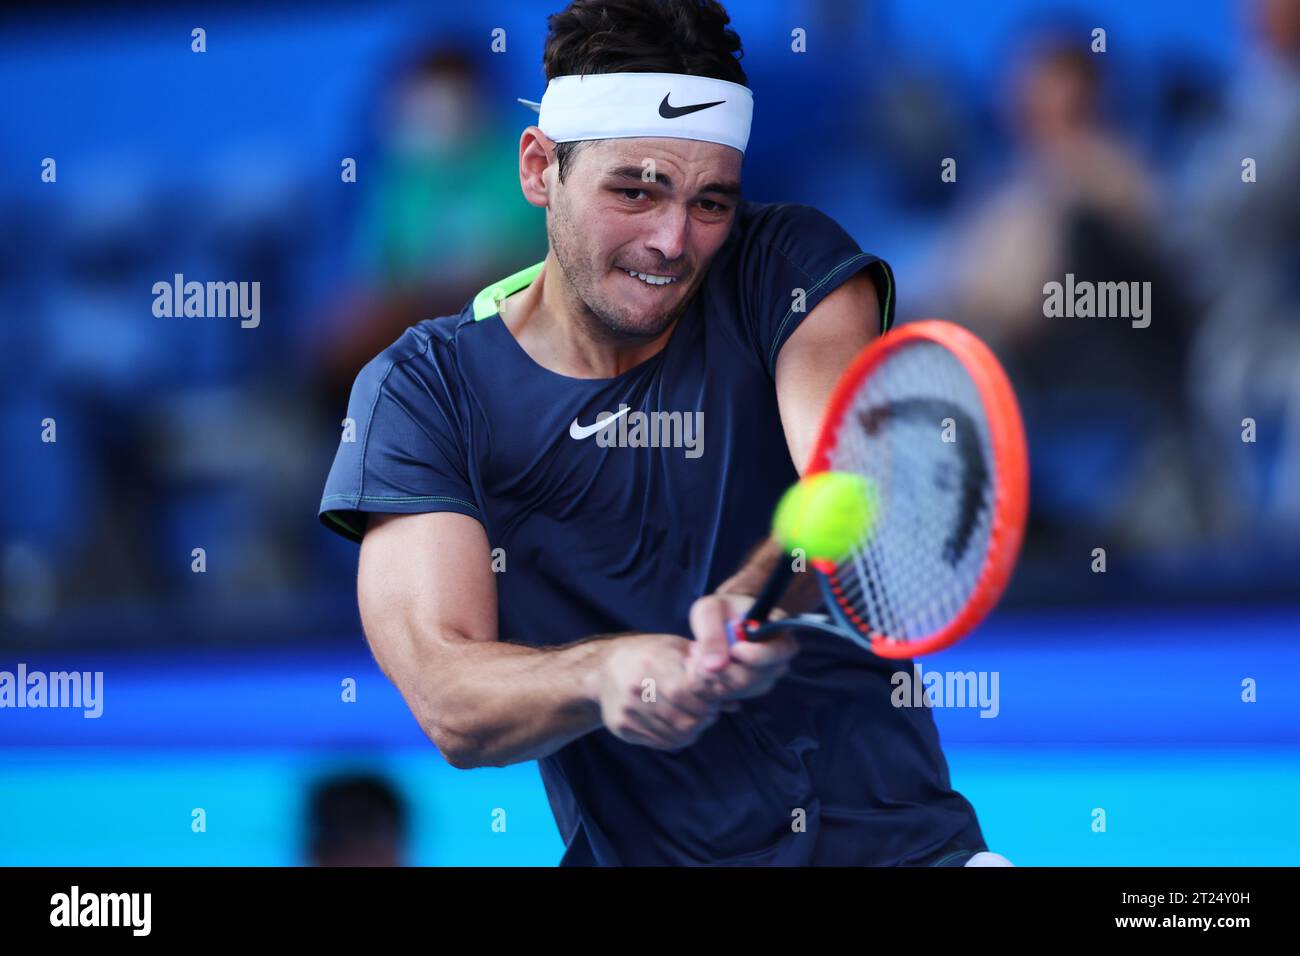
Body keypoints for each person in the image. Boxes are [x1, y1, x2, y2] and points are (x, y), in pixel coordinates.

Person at [321, 0, 998, 866]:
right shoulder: (424, 392)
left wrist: (757, 590)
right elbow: (450, 700)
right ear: (540, 168)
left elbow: (847, 479)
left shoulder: (787, 268)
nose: (673, 241)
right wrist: (604, 673)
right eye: (634, 191)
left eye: (710, 201)